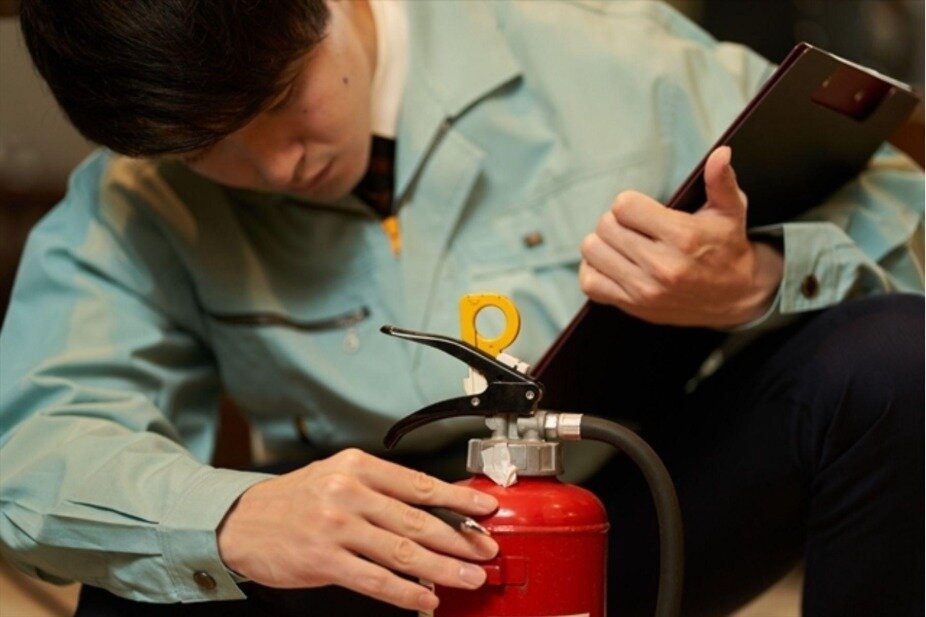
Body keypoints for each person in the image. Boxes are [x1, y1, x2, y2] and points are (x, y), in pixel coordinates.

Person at [1, 1, 922, 615]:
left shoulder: (606, 53)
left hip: (629, 519)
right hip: (367, 562)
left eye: (283, 99)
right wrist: (235, 516)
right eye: (212, 149)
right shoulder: (136, 199)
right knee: (147, 569)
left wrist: (756, 276)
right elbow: (37, 452)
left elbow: (900, 219)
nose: (277, 164)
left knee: (892, 359)